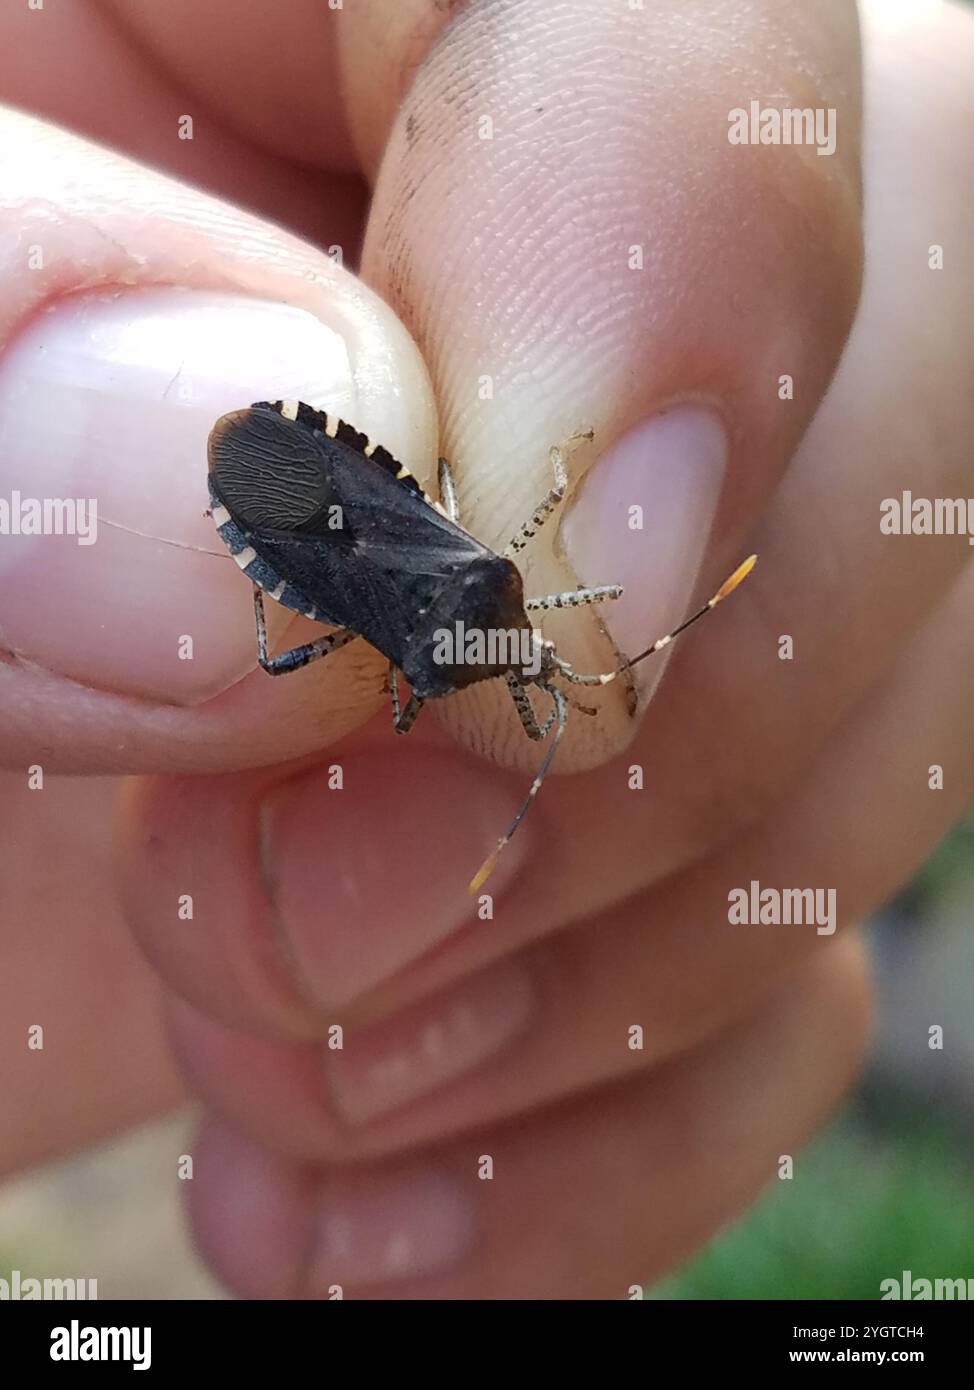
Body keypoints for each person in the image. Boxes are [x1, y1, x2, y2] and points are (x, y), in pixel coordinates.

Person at [0, 0, 971, 1299]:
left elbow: (489, 531)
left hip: (341, 514)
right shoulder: (453, 640)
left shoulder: (484, 586)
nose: (543, 686)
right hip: (325, 535)